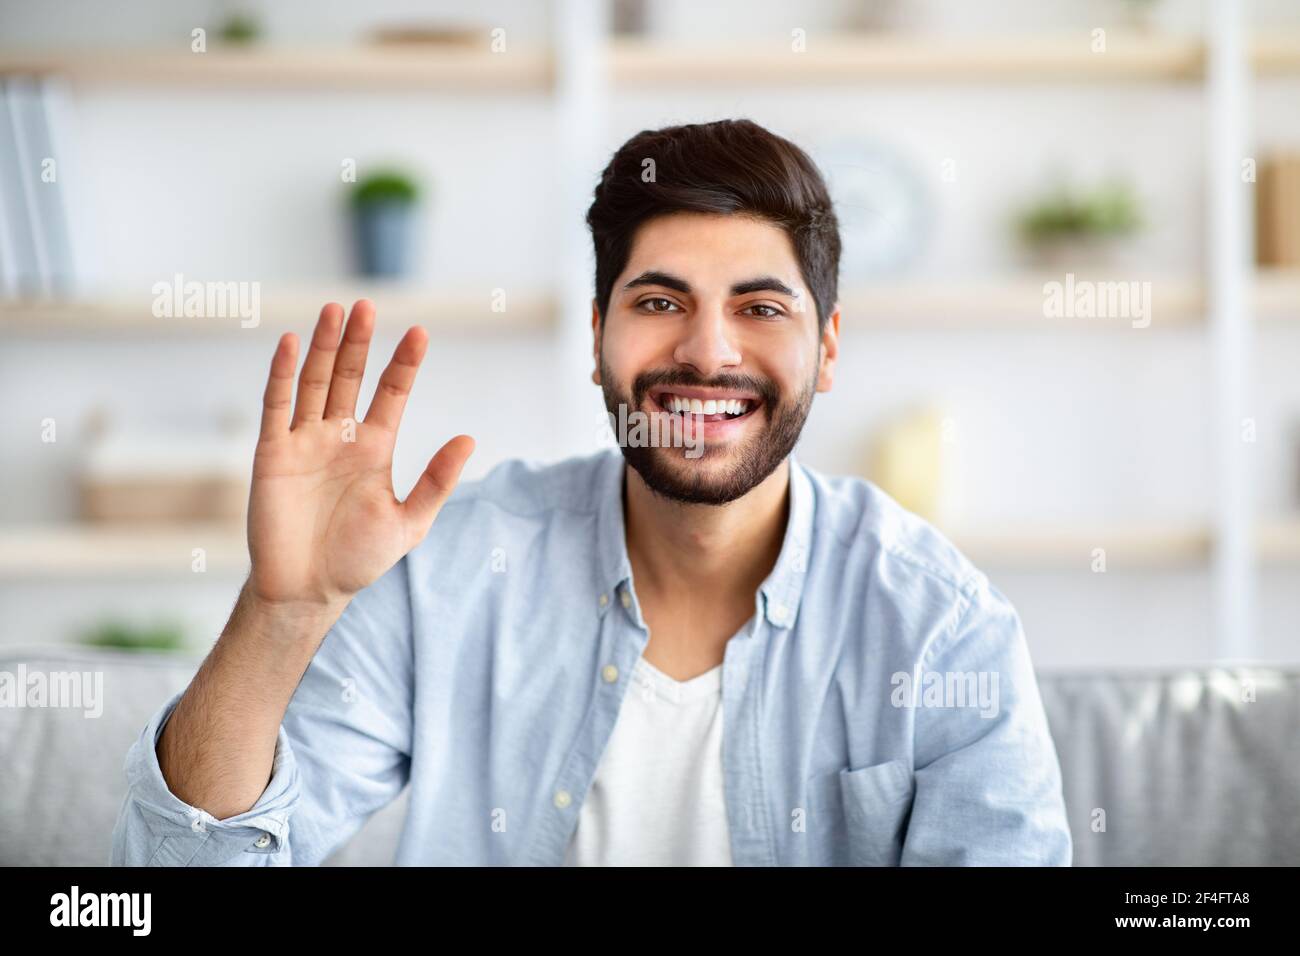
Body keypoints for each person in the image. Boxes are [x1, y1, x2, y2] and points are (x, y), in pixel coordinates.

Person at [111, 118, 1072, 866]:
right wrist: (284, 610)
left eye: (760, 308)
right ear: (597, 338)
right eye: (659, 303)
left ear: (825, 351)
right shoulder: (448, 571)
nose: (707, 351)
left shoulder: (941, 627)